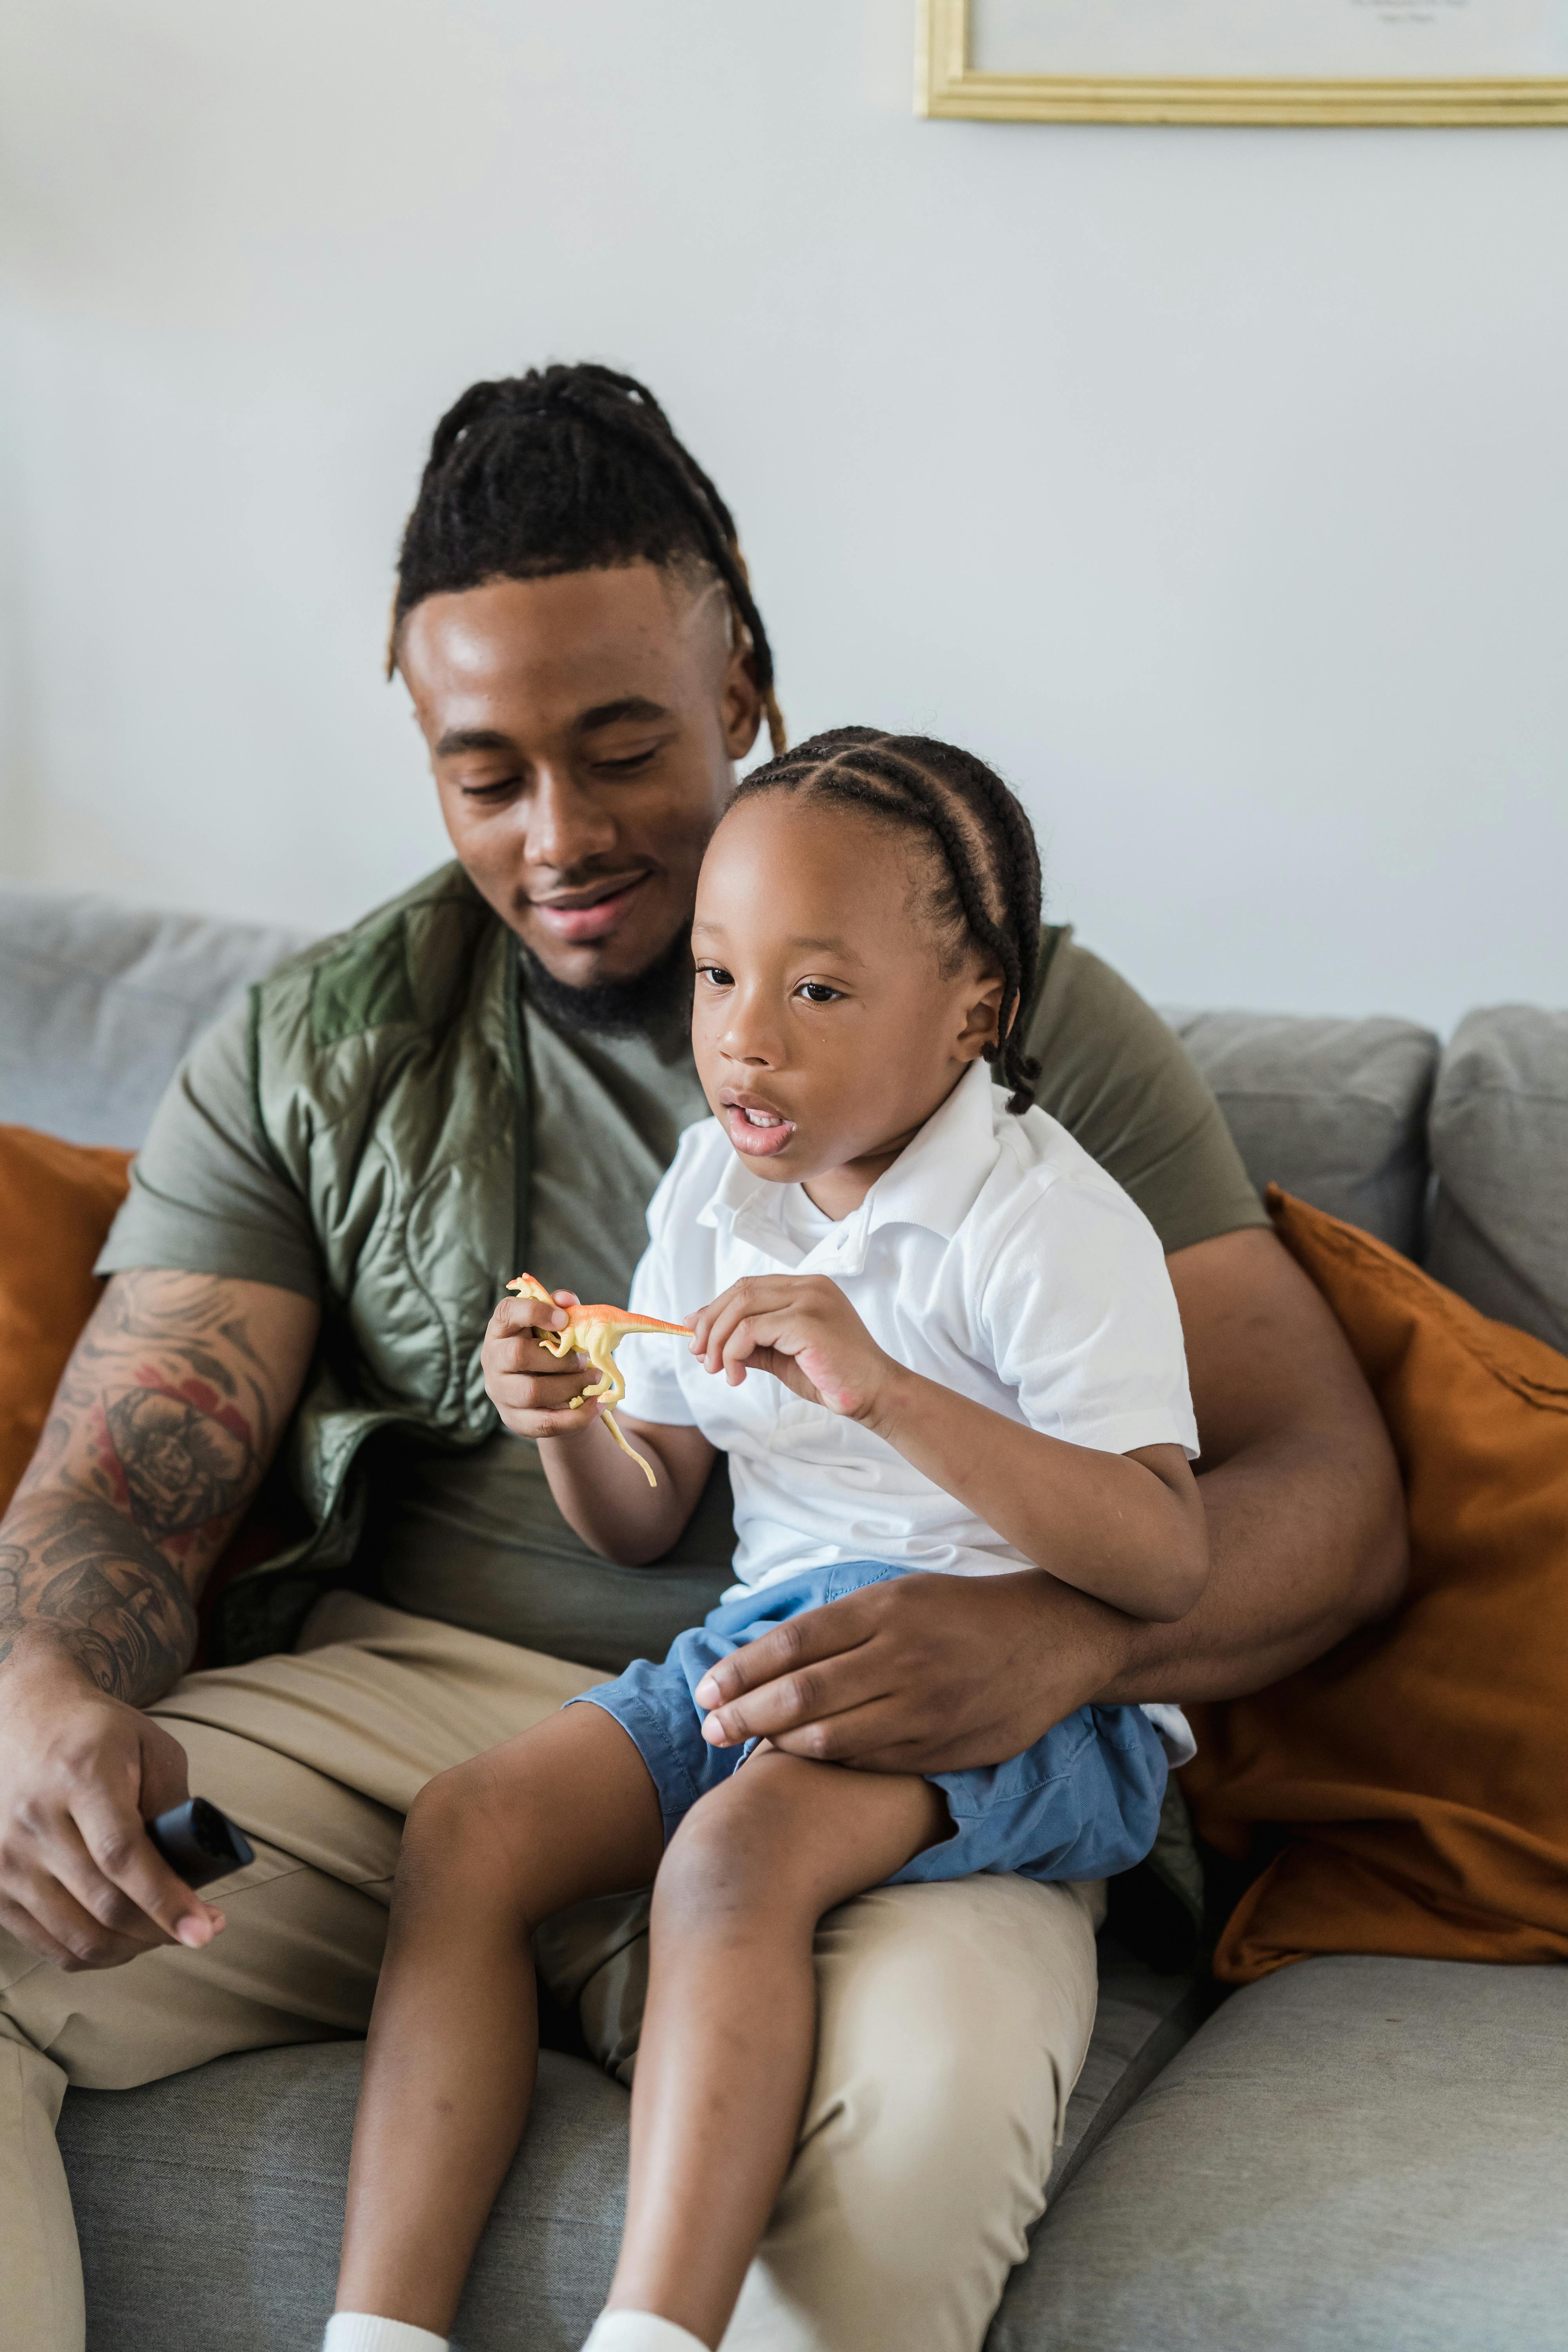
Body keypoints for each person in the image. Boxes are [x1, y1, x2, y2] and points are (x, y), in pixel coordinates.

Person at [0, 365, 1405, 2352]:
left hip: (901, 1722)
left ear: (741, 680)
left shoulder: (1016, 1047)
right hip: (432, 1722)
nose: (559, 837)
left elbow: (1324, 1508)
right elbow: (123, 1482)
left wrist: (1059, 1646)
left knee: (910, 2130)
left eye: (622, 746)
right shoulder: (315, 1050)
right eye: (486, 775)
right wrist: (39, 1687)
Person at [328, 728, 1210, 2352]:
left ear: (975, 1012)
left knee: (725, 1859)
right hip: (776, 1636)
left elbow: (1162, 1557)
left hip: (1029, 1695)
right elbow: (650, 1507)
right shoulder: (714, 1191)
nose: (744, 1042)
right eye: (719, 976)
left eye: (814, 992)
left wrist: (884, 1391)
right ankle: (380, 2333)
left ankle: (652, 2333)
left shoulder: (1043, 1222)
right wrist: (567, 1423)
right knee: (468, 1833)